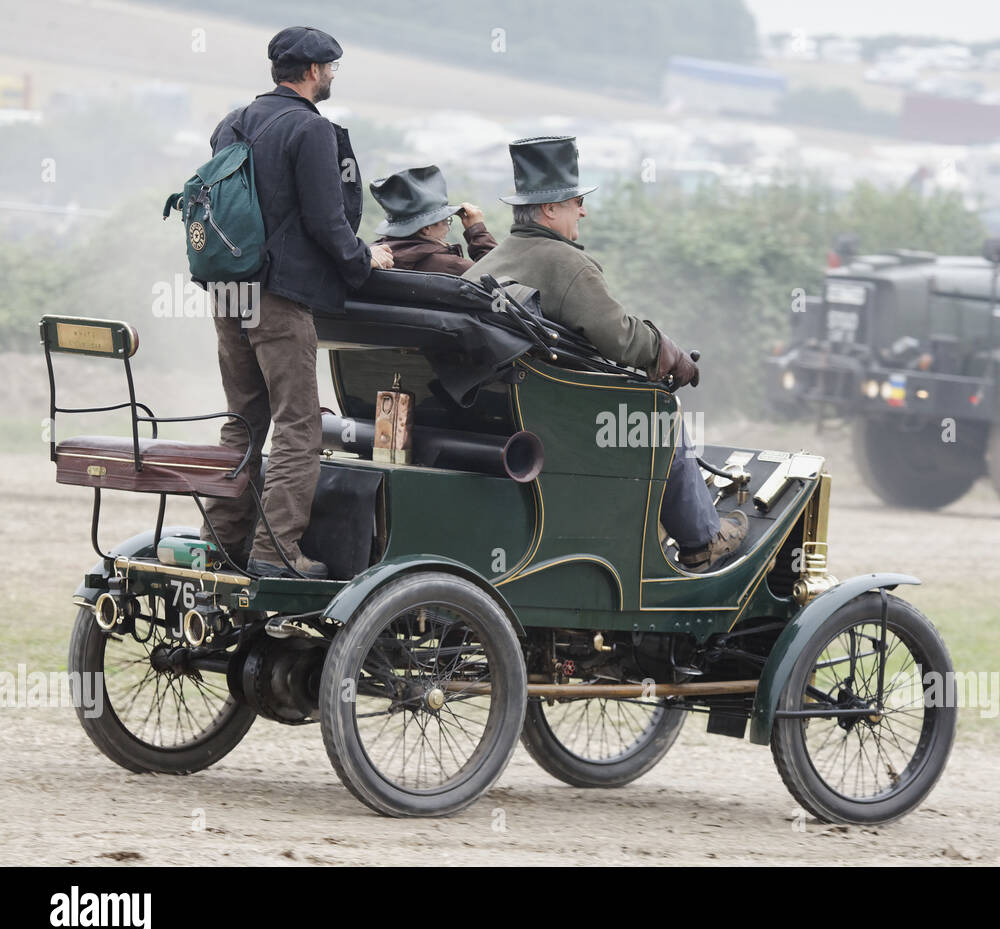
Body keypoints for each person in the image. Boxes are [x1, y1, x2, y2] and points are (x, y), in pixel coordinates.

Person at [463, 135, 747, 572]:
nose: (584, 210)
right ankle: (701, 537)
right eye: (576, 200)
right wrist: (672, 357)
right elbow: (619, 337)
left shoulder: (489, 263)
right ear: (548, 209)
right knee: (658, 415)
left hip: (496, 421)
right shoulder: (565, 263)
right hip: (551, 426)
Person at [202, 26, 395, 579]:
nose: (333, 75)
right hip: (278, 298)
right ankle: (276, 553)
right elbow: (325, 220)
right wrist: (363, 261)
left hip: (228, 290)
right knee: (299, 426)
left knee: (243, 420)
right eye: (331, 67)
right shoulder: (309, 129)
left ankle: (219, 541)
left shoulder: (232, 122)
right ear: (312, 72)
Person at [369, 165, 497, 275]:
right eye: (446, 221)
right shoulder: (452, 266)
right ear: (426, 228)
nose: (448, 228)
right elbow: (500, 278)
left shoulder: (370, 258)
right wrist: (477, 231)